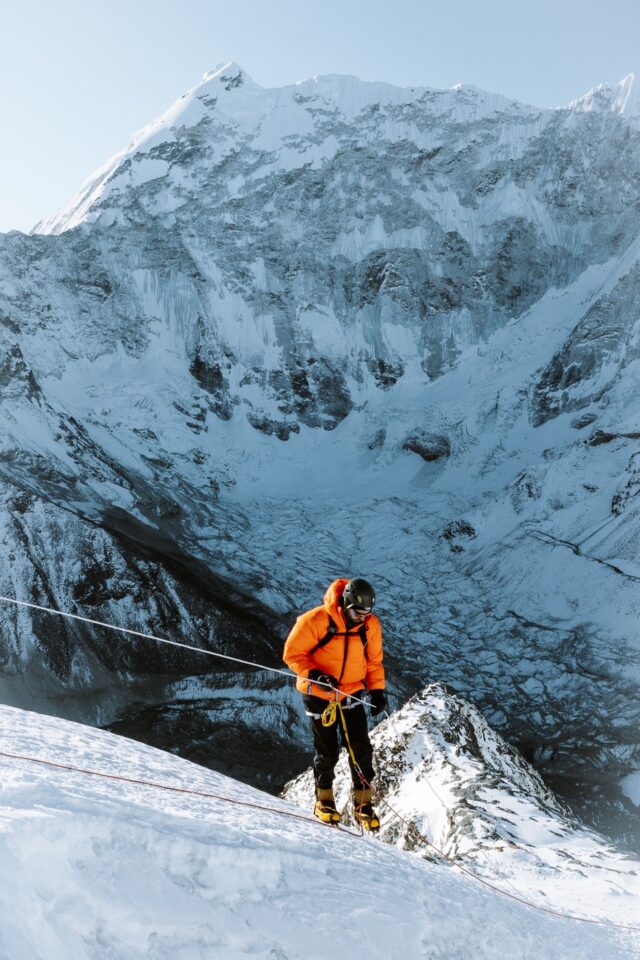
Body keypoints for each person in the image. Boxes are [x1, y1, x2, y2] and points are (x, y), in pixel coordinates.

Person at [283, 577, 387, 829]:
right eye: (357, 612)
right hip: (319, 695)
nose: (362, 617)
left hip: (351, 693)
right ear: (344, 603)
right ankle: (324, 800)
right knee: (327, 750)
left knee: (360, 749)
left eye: (367, 613)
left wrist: (377, 690)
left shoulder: (369, 626)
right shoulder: (315, 620)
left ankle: (363, 804)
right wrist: (314, 675)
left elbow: (373, 662)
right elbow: (293, 654)